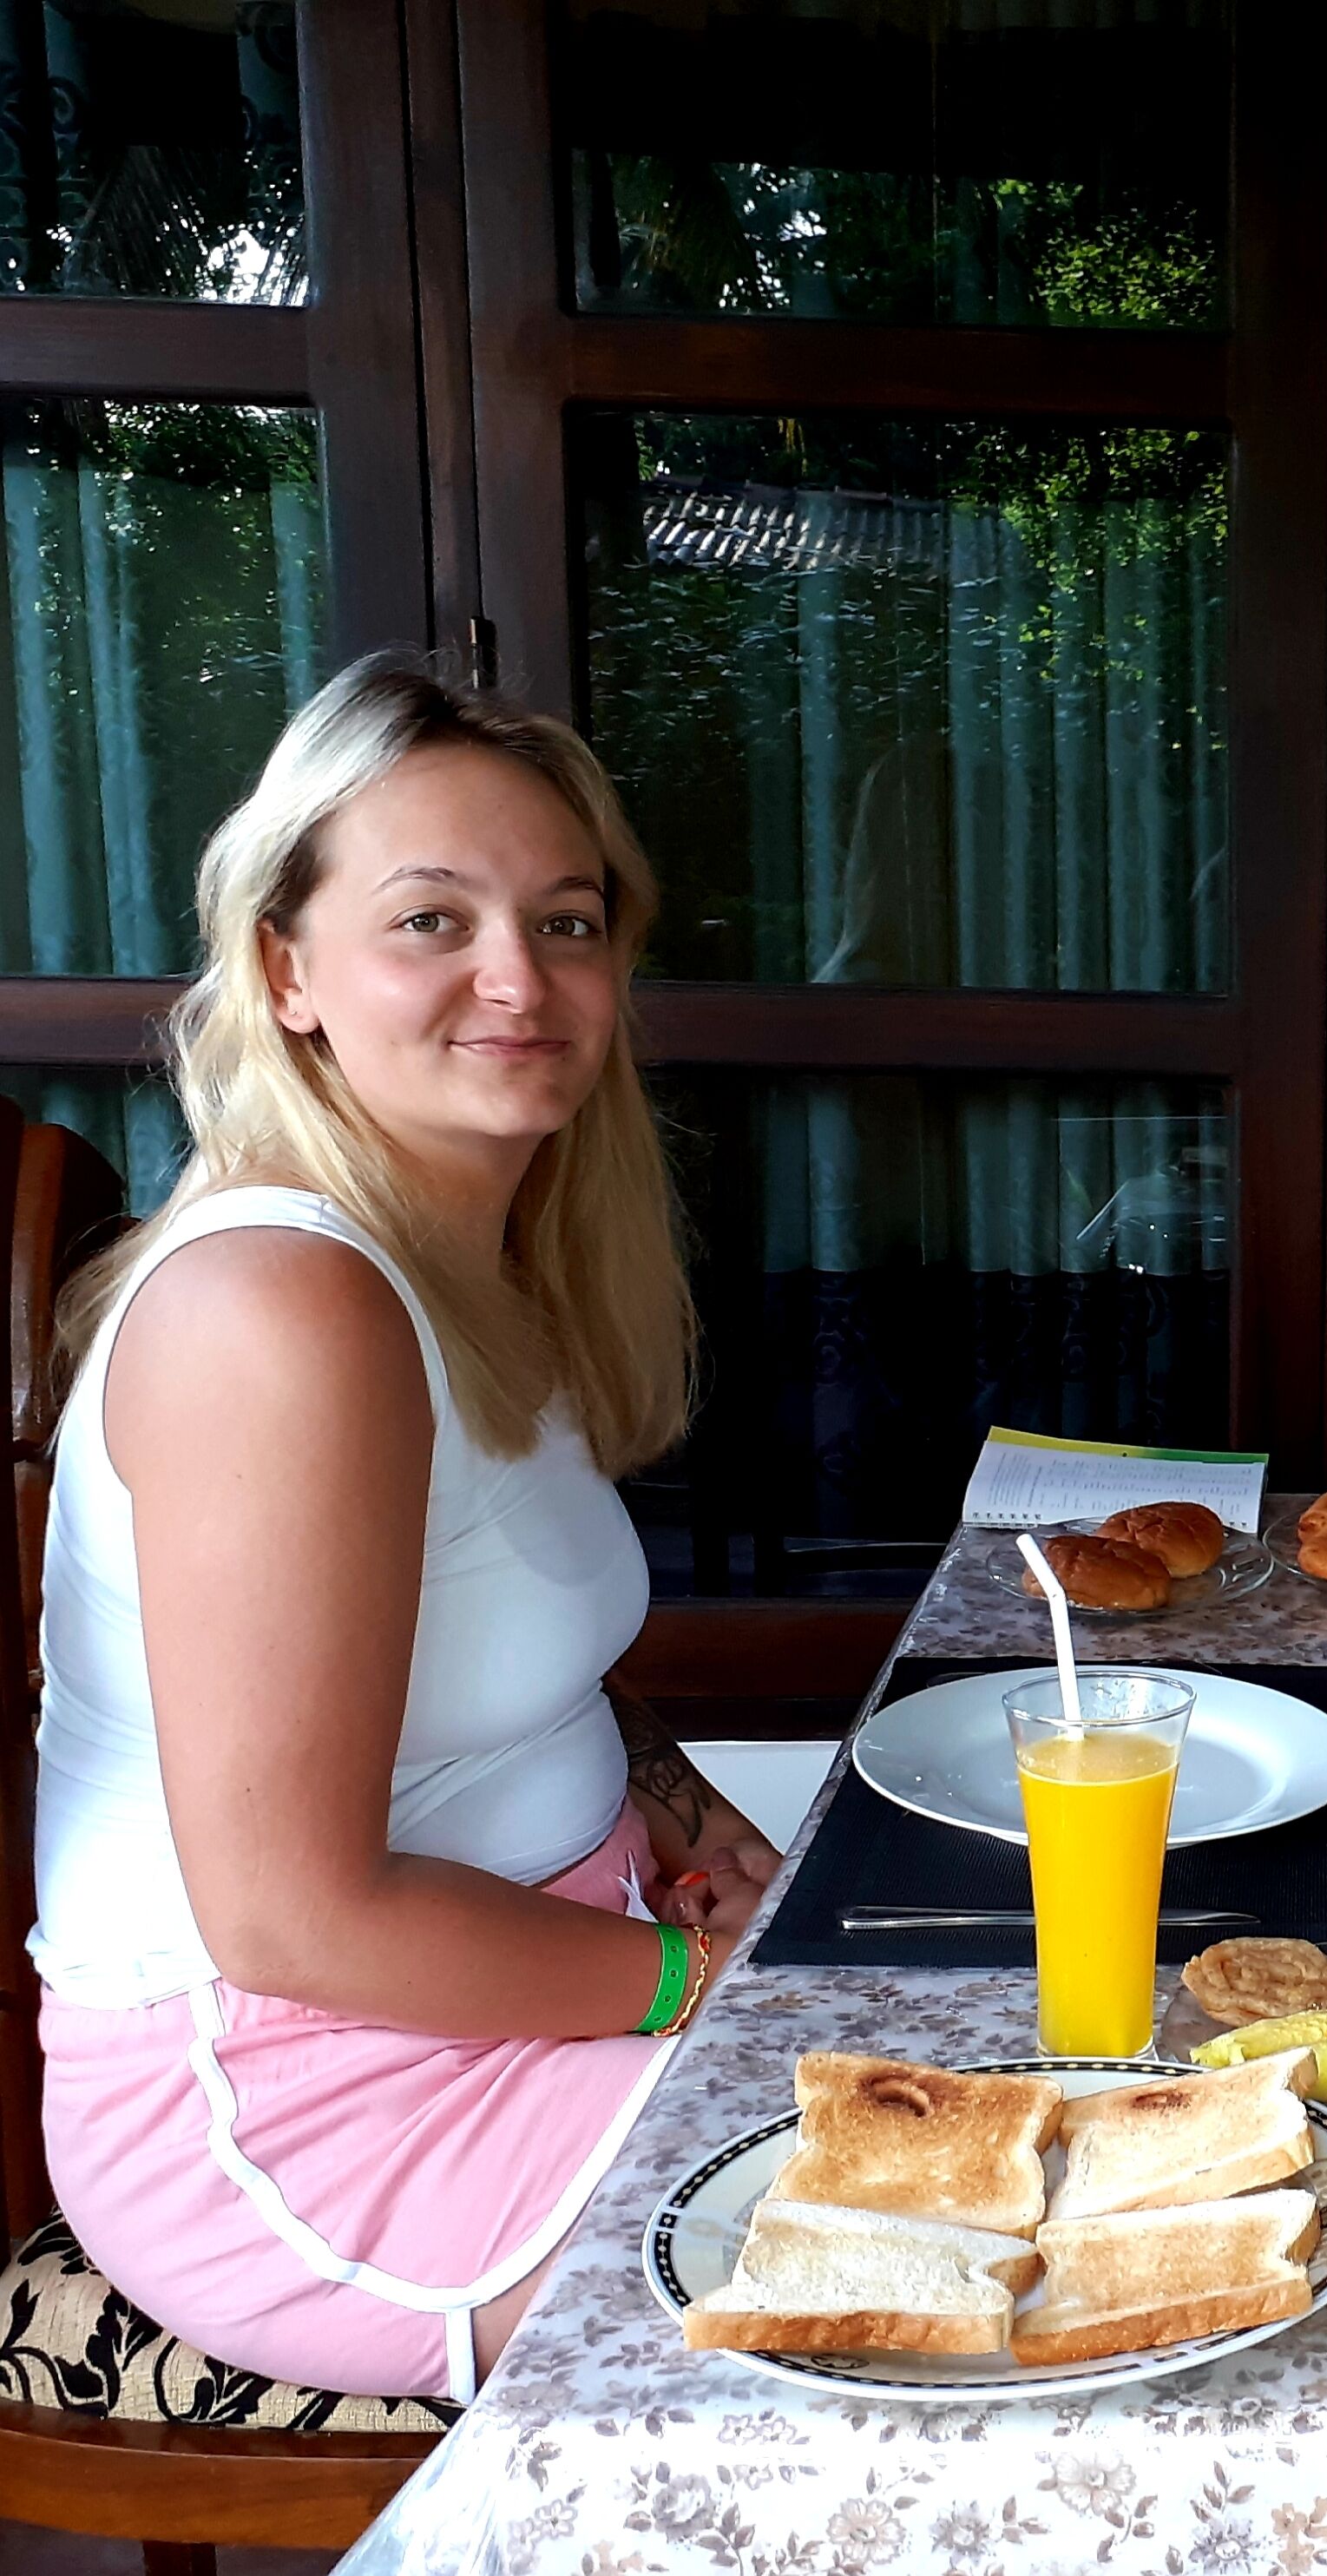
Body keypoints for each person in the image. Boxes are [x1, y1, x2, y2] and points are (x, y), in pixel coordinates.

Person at [30, 655, 778, 2402]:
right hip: (314, 2098)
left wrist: (697, 1833)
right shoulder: (284, 1310)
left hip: (533, 1966)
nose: (520, 977)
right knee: (974, 2227)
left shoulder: (475, 1268)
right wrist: (685, 1976)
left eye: (569, 919)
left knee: (1057, 2077)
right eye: (431, 917)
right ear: (287, 968)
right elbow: (294, 1918)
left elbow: (530, 1662)